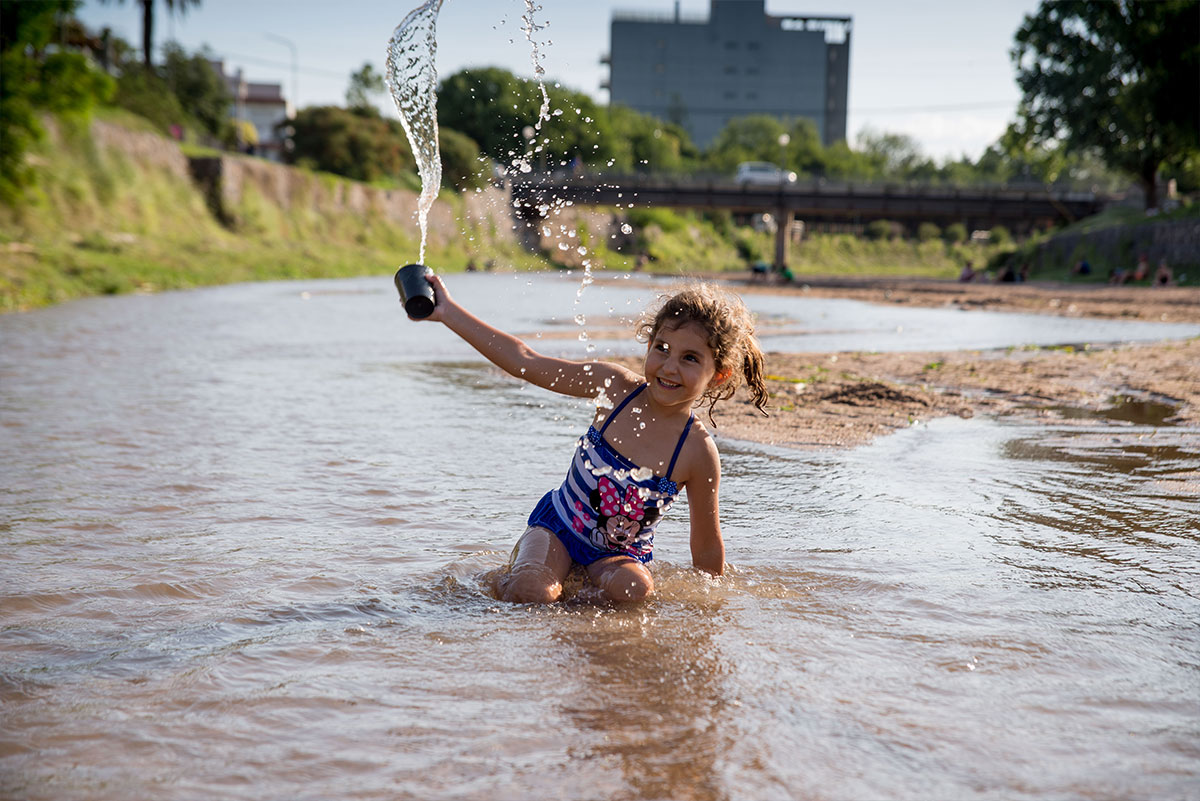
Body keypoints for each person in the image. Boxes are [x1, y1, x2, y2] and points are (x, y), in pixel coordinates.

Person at [413, 274, 769, 604]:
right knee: (532, 591)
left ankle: (582, 588)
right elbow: (526, 361)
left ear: (718, 375)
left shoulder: (697, 452)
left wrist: (710, 611)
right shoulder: (614, 389)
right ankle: (499, 578)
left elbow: (706, 547)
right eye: (662, 347)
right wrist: (447, 312)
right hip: (557, 529)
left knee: (636, 592)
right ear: (649, 343)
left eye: (690, 358)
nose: (669, 366)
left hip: (619, 556)